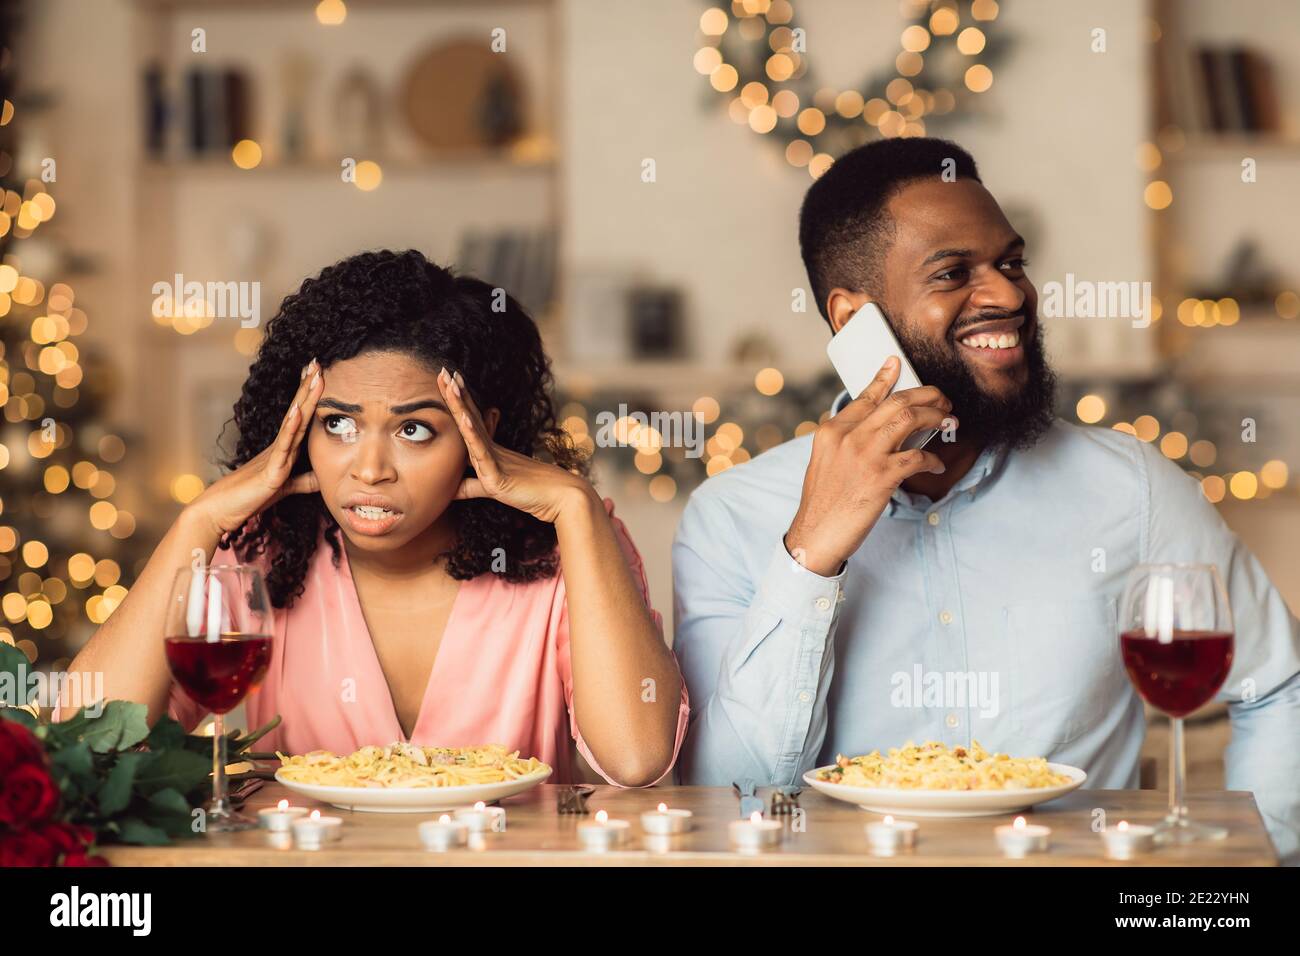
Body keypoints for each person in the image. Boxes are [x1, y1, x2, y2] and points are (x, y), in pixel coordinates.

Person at [672, 137, 1300, 862]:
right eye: (953, 273)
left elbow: (1279, 683)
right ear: (853, 320)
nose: (1008, 294)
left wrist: (1264, 864)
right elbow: (733, 794)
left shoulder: (1132, 489)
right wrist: (811, 553)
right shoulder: (732, 518)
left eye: (1011, 263)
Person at [62, 249, 689, 787]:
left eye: (414, 429)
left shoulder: (563, 550)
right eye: (338, 424)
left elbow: (636, 759)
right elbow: (83, 738)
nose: (369, 469)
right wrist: (198, 519)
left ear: (482, 435)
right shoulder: (258, 555)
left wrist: (577, 507)